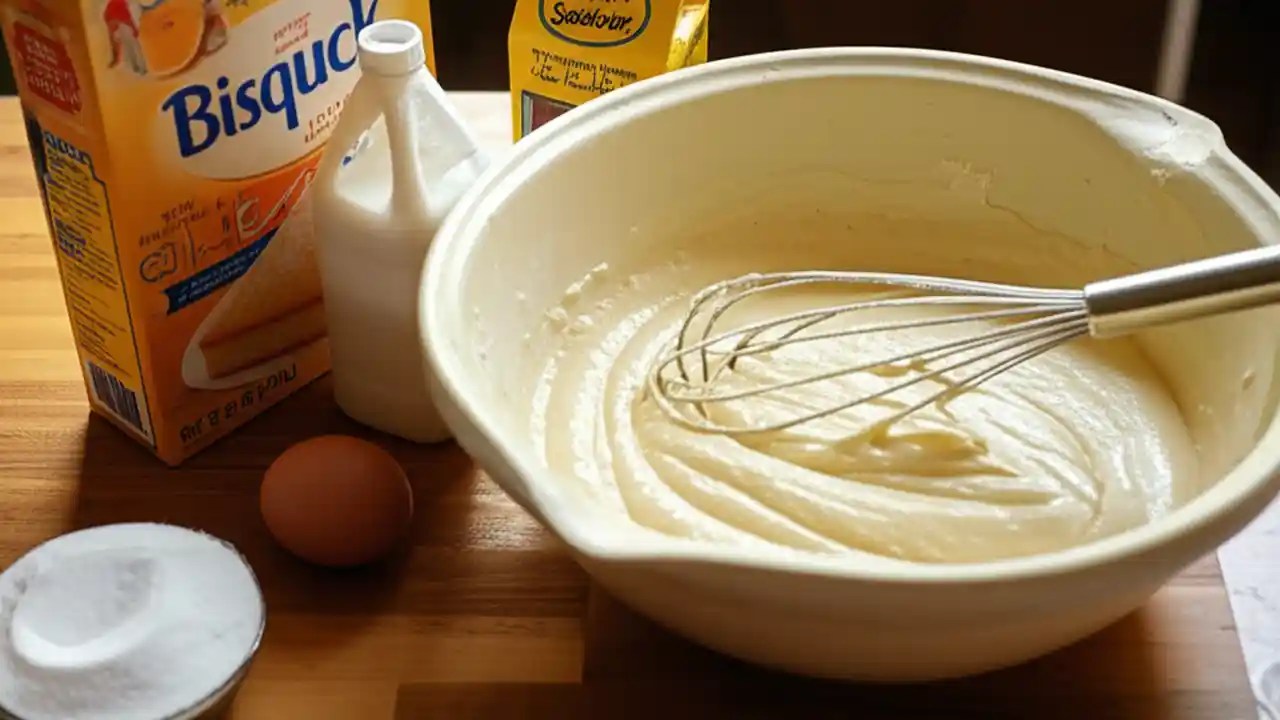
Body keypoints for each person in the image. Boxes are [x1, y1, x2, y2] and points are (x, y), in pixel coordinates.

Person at [102, 0, 146, 75]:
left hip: (121, 21)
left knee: (132, 45)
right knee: (131, 45)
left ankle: (138, 67)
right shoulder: (112, 11)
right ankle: (137, 67)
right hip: (119, 21)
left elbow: (127, 19)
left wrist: (133, 28)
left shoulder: (116, 8)